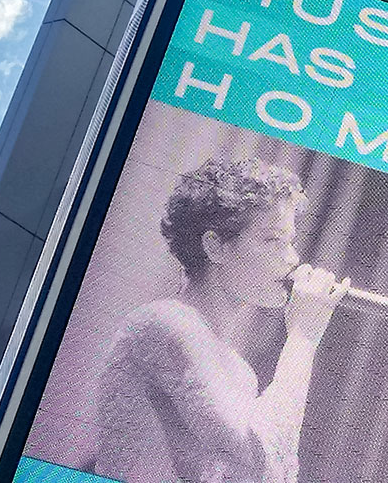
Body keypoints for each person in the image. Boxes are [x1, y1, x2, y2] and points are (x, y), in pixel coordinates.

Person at [88, 157, 349, 483]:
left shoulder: (239, 372)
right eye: (272, 240)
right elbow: (258, 462)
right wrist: (303, 338)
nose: (293, 259)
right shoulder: (165, 325)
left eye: (291, 242)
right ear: (215, 247)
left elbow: (271, 474)